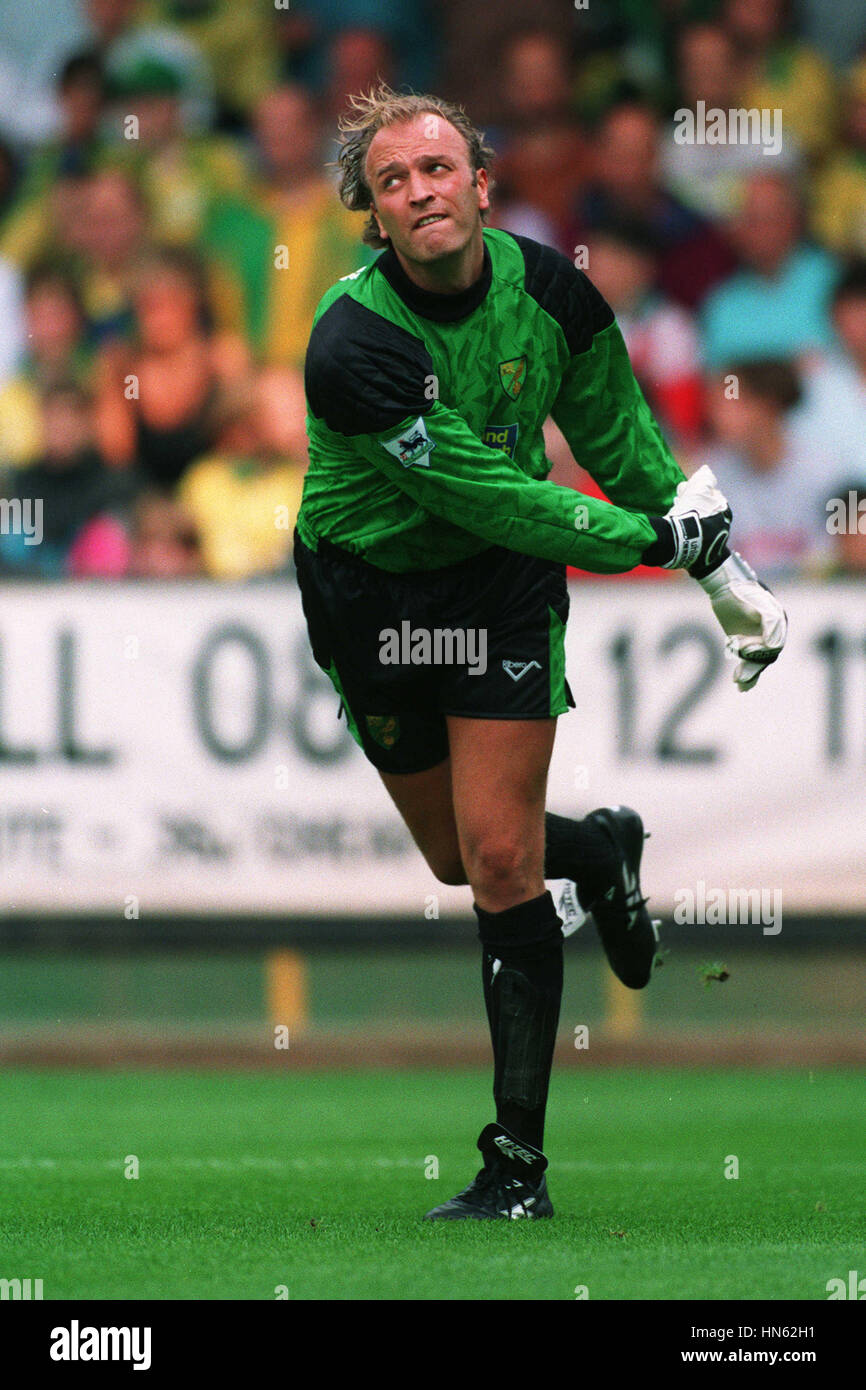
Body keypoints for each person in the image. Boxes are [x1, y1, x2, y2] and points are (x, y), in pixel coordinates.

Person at [293, 84, 786, 1221]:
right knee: (455, 858)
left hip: (501, 594)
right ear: (373, 216)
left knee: (502, 861)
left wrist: (713, 562)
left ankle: (515, 1167)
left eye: (435, 169)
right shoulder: (352, 343)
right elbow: (487, 493)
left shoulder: (553, 291)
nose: (418, 191)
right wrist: (652, 542)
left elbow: (615, 434)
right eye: (391, 183)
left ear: (479, 178)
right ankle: (603, 851)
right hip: (369, 595)